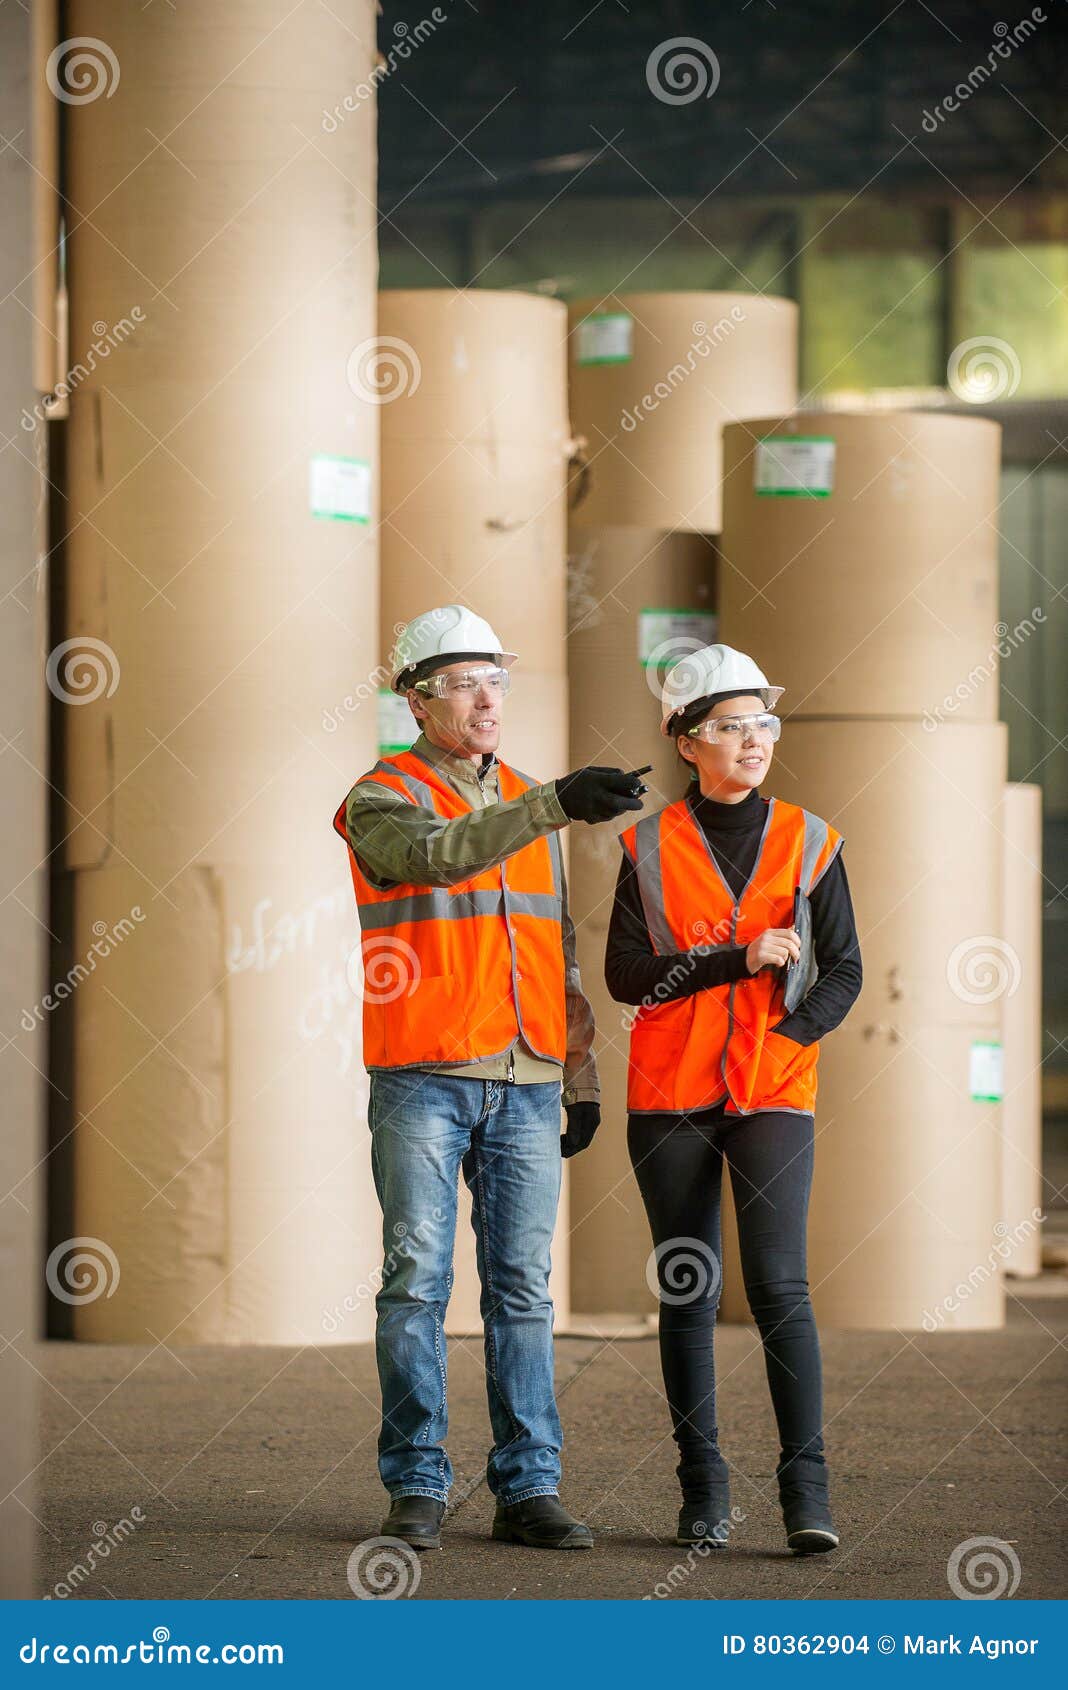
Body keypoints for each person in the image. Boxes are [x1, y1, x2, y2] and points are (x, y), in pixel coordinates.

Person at [332, 604, 646, 1552]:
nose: (487, 697)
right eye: (465, 681)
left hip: (527, 1078)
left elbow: (554, 953)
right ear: (418, 700)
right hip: (425, 1074)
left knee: (521, 1287)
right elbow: (432, 858)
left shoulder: (523, 797)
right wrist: (551, 802)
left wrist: (579, 1073)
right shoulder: (381, 796)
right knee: (417, 1283)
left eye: (497, 680)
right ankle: (418, 1484)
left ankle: (528, 1488)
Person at [604, 643, 862, 1555]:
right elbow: (626, 975)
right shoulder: (643, 845)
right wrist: (734, 960)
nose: (754, 741)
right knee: (689, 1289)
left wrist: (784, 1043)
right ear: (686, 742)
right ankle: (702, 1492)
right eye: (731, 727)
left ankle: (806, 1496)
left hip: (773, 1093)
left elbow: (846, 974)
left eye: (763, 723)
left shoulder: (811, 838)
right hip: (668, 1093)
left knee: (780, 1286)